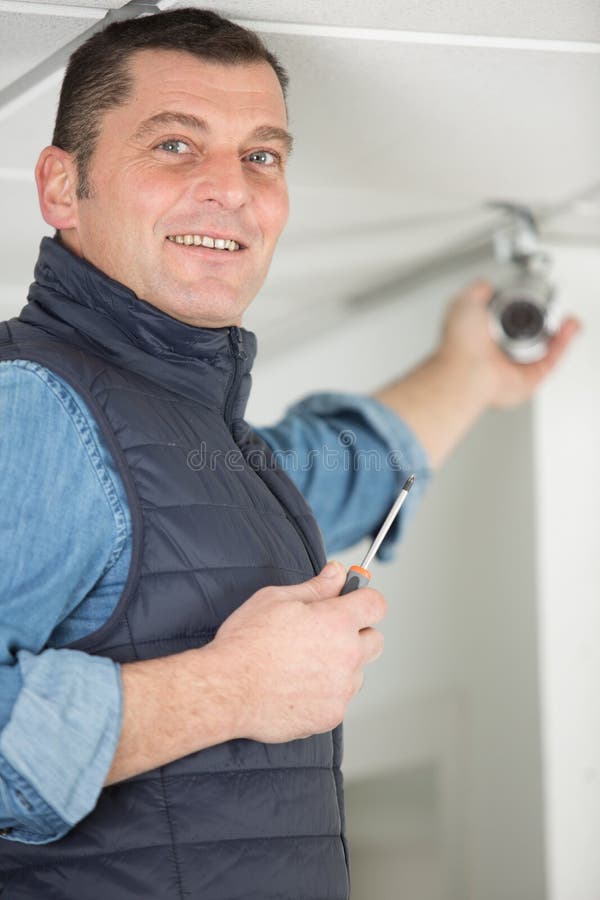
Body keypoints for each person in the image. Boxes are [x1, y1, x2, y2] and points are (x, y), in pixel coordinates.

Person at [0, 9, 578, 899]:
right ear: (62, 187)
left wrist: (469, 375)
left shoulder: (188, 437)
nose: (230, 188)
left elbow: (329, 472)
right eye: (175, 146)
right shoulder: (32, 405)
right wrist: (231, 688)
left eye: (261, 155)